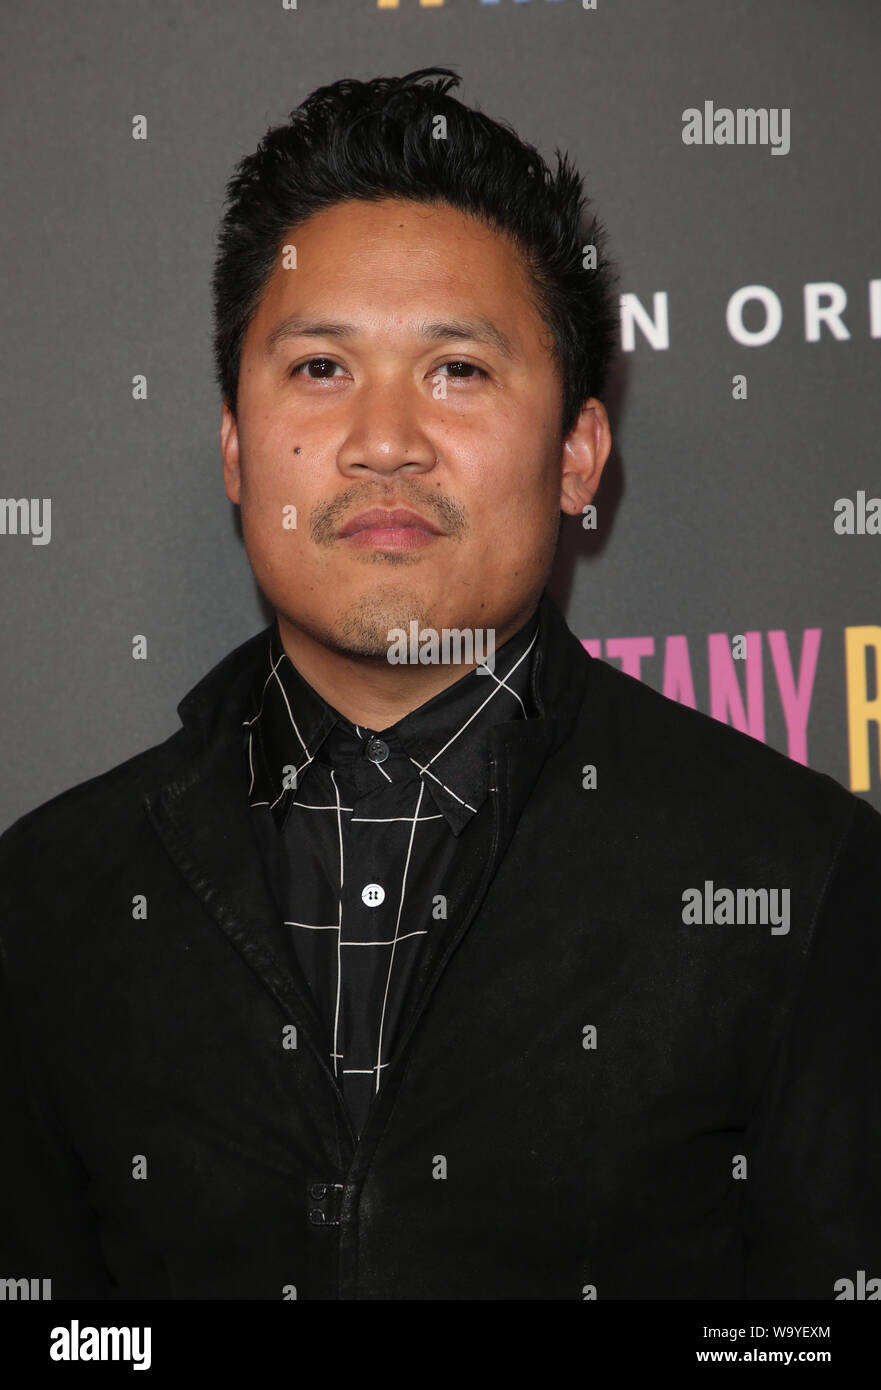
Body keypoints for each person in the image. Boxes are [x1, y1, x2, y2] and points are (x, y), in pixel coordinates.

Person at [1, 68, 878, 1301]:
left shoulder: (794, 879)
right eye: (318, 369)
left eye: (457, 370)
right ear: (235, 450)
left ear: (577, 454)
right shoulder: (49, 900)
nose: (383, 441)